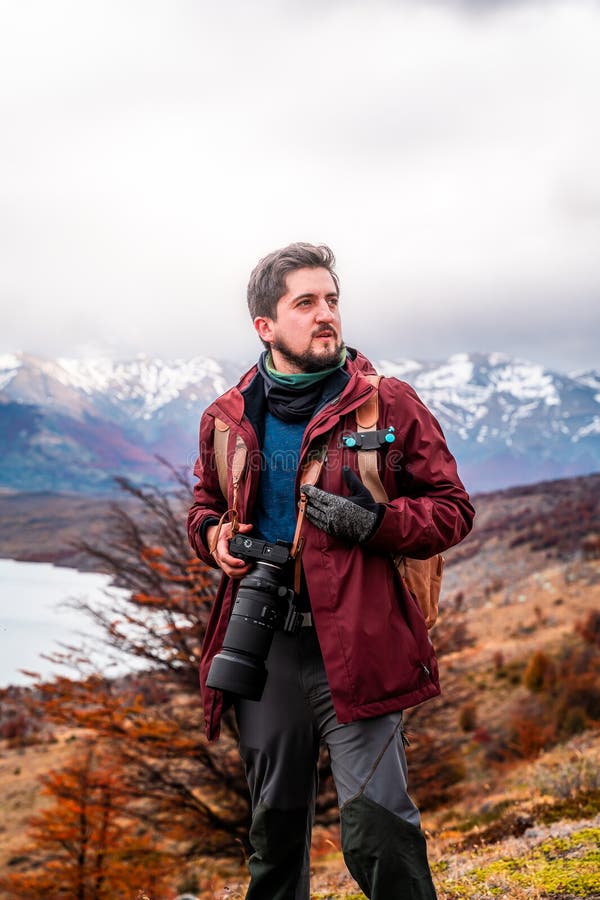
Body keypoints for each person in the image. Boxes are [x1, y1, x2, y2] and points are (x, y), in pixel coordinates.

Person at [187, 242, 475, 900]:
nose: (327, 315)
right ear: (266, 326)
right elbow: (203, 504)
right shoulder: (228, 418)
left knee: (378, 826)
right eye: (306, 303)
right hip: (264, 645)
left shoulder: (387, 403)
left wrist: (373, 524)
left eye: (332, 301)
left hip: (360, 639)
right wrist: (215, 537)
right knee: (273, 829)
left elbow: (452, 511)